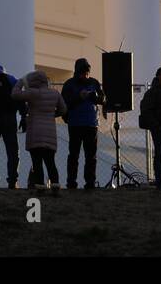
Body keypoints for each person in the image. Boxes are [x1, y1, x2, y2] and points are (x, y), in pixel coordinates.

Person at [12, 70, 67, 192]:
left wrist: (20, 81)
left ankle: (40, 186)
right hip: (50, 133)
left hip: (35, 133)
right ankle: (55, 185)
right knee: (50, 162)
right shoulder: (55, 93)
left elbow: (15, 94)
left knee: (37, 162)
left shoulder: (33, 93)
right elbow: (63, 109)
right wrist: (52, 115)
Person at [58, 58, 104, 190]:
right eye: (82, 72)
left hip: (90, 124)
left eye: (86, 73)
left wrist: (93, 96)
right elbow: (64, 104)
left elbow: (103, 99)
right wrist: (79, 97)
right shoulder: (69, 84)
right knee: (74, 155)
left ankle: (90, 182)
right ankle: (71, 182)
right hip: (76, 124)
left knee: (90, 156)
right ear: (77, 71)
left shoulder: (94, 82)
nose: (85, 75)